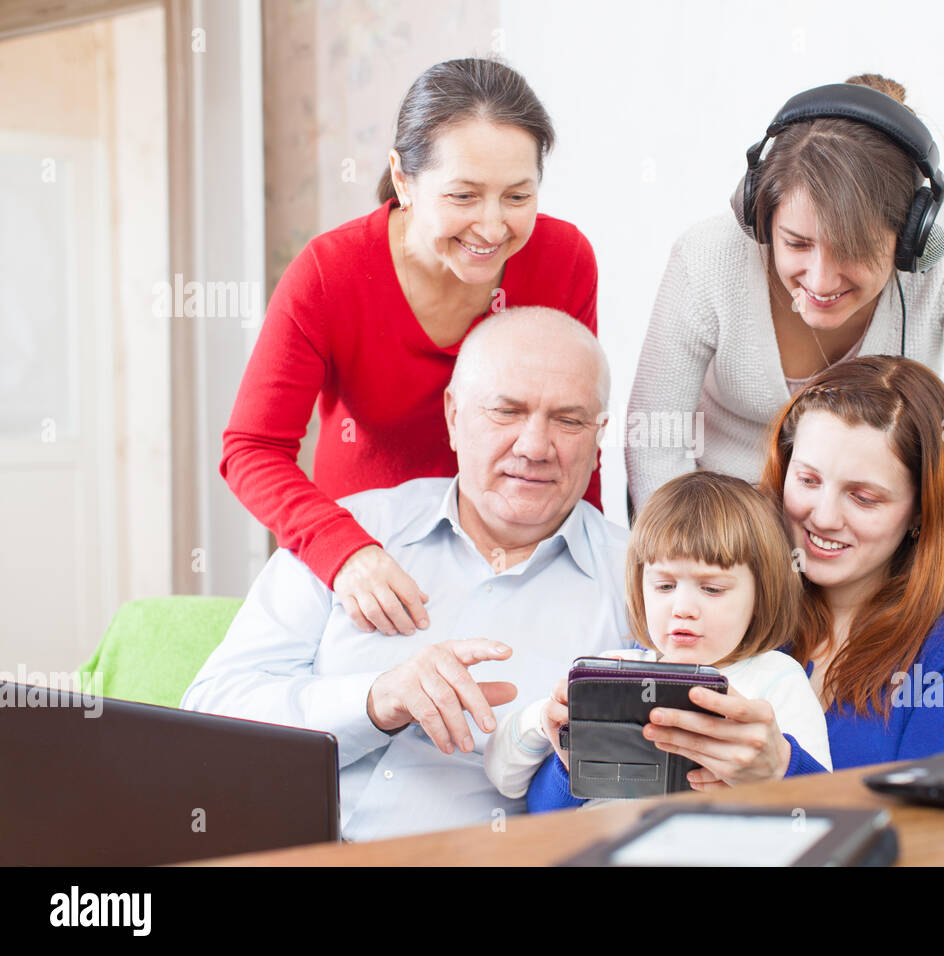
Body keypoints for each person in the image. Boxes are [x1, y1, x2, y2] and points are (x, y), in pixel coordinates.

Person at [626, 72, 944, 648]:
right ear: (760, 214)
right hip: (728, 558)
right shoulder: (708, 257)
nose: (820, 280)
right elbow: (655, 444)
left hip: (872, 554)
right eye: (797, 244)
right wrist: (701, 597)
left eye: (852, 251)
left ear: (914, 238)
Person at [182, 308, 631, 841]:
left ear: (599, 436)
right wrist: (375, 701)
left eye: (569, 420)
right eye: (506, 411)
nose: (534, 447)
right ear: (453, 417)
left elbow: (656, 791)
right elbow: (209, 717)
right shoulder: (347, 534)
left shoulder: (644, 587)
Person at [221, 57, 602, 641]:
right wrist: (344, 551)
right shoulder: (330, 274)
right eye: (463, 196)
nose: (492, 227)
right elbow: (252, 448)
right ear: (403, 179)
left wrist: (596, 569)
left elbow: (574, 430)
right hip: (372, 562)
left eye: (517, 196)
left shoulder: (563, 259)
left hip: (519, 555)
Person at [614, 356, 944, 790]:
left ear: (922, 509)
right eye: (807, 480)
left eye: (863, 498)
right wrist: (568, 757)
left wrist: (783, 772)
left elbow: (940, 827)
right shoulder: (719, 601)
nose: (823, 518)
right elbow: (573, 806)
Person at [479, 471, 832, 810]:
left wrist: (779, 768)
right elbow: (519, 793)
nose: (682, 609)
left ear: (762, 595)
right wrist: (545, 726)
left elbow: (826, 805)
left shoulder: (776, 679)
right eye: (664, 586)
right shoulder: (613, 671)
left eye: (712, 588)